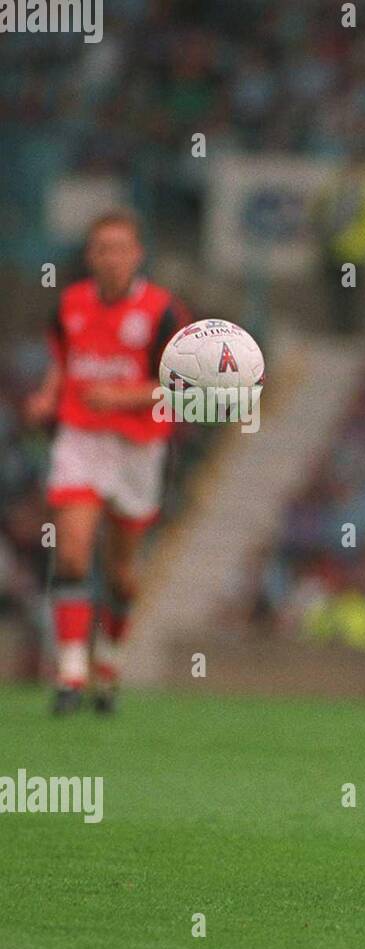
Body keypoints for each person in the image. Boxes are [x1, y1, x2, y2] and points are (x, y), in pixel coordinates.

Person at [25, 211, 188, 714]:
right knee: (72, 552)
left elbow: (183, 387)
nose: (109, 256)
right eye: (100, 248)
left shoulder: (162, 312)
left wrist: (121, 397)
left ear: (137, 254)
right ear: (90, 256)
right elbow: (64, 360)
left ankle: (110, 662)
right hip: (80, 439)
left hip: (138, 447)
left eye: (119, 247)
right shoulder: (70, 304)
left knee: (121, 572)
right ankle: (71, 674)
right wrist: (49, 396)